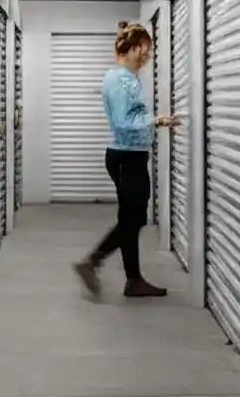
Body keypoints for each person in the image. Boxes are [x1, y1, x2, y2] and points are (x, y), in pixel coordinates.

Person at [73, 21, 180, 298]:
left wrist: (155, 121)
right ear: (132, 48)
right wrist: (155, 120)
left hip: (130, 156)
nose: (146, 55)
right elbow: (122, 121)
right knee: (133, 219)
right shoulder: (120, 79)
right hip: (127, 158)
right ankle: (92, 262)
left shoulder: (127, 77)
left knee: (130, 218)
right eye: (144, 49)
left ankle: (133, 281)